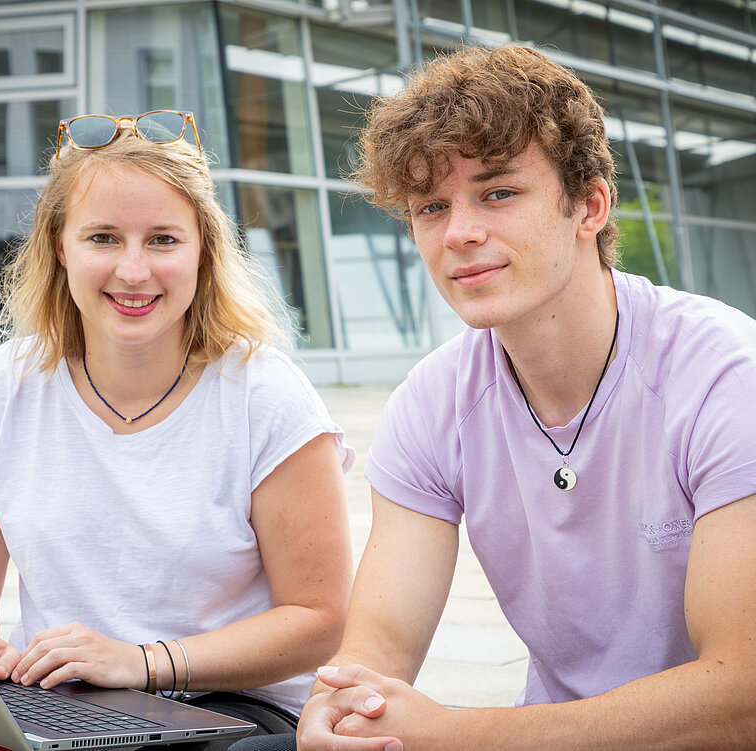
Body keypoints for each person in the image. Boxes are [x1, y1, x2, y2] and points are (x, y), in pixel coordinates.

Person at [281, 44, 756, 749]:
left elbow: (741, 695)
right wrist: (339, 711)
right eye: (431, 207)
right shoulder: (433, 402)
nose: (461, 233)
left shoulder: (725, 374)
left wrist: (461, 733)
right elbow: (374, 650)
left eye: (498, 192)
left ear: (589, 205)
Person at [0, 110, 354, 749]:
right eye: (103, 238)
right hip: (60, 701)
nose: (133, 272)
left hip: (229, 710)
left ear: (204, 250)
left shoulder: (267, 399)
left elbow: (318, 621)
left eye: (163, 239)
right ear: (60, 246)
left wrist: (142, 662)